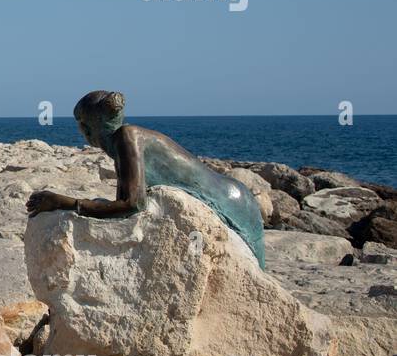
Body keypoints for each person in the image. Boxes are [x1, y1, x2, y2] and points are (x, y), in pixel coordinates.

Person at [25, 90, 265, 267]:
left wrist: (61, 202)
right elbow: (123, 205)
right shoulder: (124, 141)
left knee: (257, 273)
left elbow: (131, 205)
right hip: (232, 192)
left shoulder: (128, 138)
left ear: (87, 129)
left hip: (232, 201)